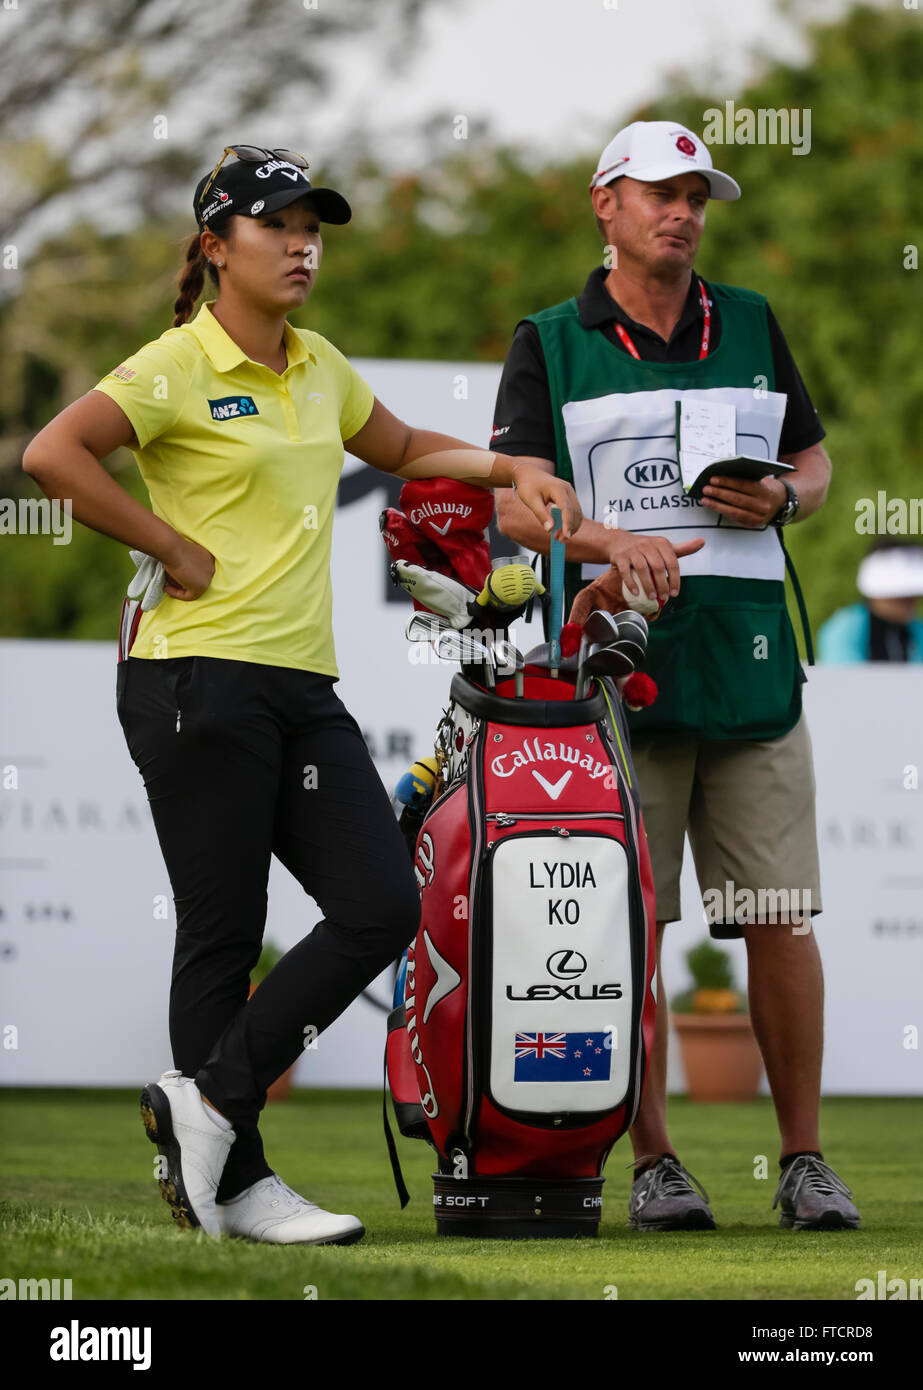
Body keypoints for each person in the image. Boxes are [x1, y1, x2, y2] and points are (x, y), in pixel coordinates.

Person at [22, 144, 582, 1246]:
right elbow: (55, 452)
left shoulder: (317, 364)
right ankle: (234, 1181)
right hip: (193, 677)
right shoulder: (175, 365)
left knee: (378, 900)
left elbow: (403, 441)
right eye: (278, 226)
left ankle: (211, 1102)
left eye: (312, 227)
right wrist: (169, 542)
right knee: (224, 933)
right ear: (216, 244)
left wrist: (505, 470)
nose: (300, 244)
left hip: (299, 683)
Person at [490, 120, 861, 1231]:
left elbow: (813, 459)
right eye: (659, 191)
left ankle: (802, 1160)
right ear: (603, 204)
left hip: (747, 661)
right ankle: (653, 1161)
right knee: (625, 930)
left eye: (695, 194)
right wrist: (602, 542)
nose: (681, 212)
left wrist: (786, 498)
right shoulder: (548, 338)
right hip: (613, 671)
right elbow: (513, 498)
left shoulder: (746, 318)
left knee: (776, 913)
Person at [818, 538, 923, 662]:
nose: (911, 601)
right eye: (900, 597)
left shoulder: (916, 630)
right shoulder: (845, 628)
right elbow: (847, 677)